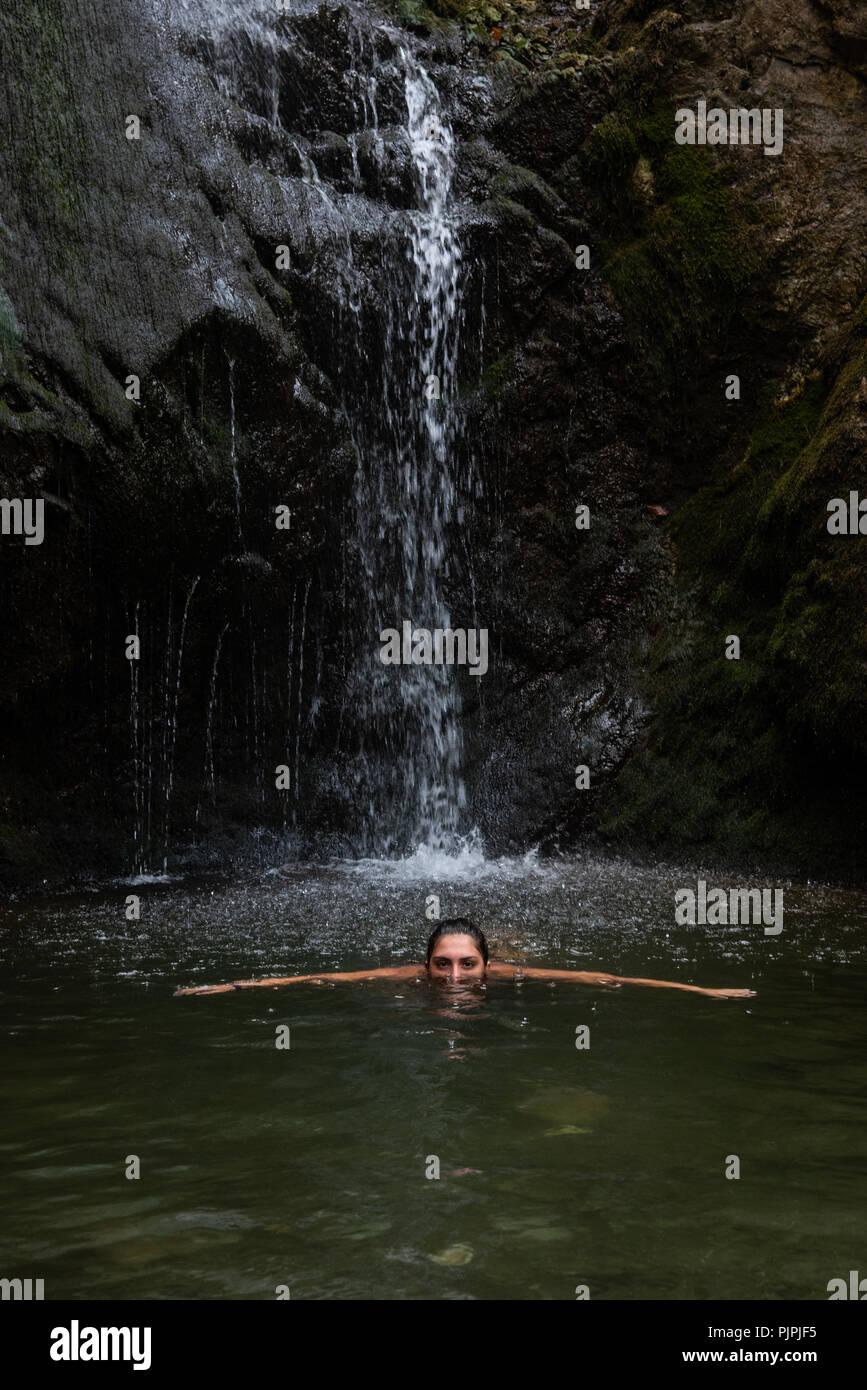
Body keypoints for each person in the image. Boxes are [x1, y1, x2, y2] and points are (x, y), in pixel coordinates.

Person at [174, 918, 756, 999]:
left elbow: (604, 977)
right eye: (443, 964)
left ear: (486, 964)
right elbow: (324, 976)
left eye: (467, 964)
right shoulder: (405, 977)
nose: (454, 976)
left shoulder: (508, 973)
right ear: (424, 965)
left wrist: (701, 992)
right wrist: (232, 988)